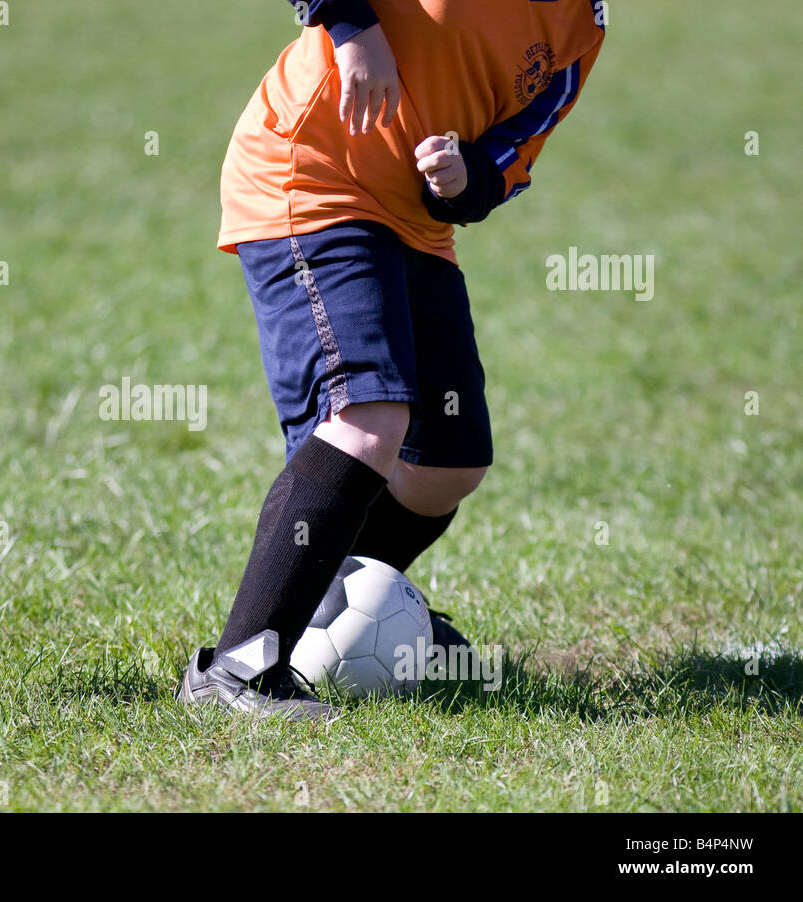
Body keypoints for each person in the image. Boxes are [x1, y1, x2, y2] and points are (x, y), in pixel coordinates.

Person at [178, 0, 606, 719]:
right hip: (314, 181)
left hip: (413, 222)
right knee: (367, 417)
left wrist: (469, 177)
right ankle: (238, 671)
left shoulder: (582, 25)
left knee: (447, 465)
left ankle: (339, 603)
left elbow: (516, 150)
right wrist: (353, 29)